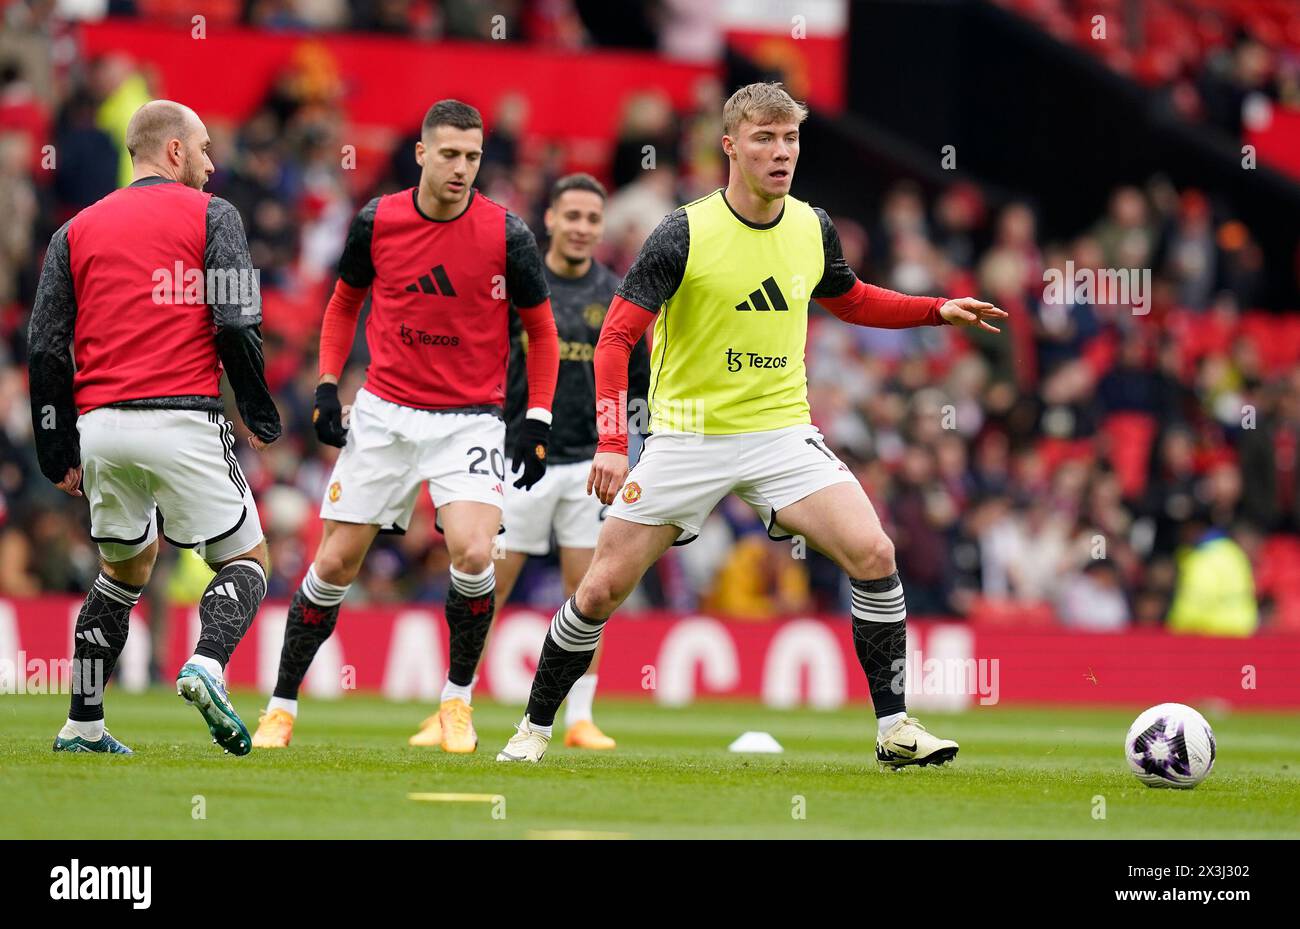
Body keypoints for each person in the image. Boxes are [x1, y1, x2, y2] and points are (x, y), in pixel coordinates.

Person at [497, 82, 1006, 766]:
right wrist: (615, 443)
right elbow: (617, 339)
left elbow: (849, 300)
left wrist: (933, 309)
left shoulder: (811, 226)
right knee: (598, 590)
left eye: (790, 138)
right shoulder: (683, 231)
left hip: (780, 435)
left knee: (875, 554)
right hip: (688, 437)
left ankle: (895, 730)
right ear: (730, 146)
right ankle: (532, 729)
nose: (781, 152)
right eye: (764, 138)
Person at [253, 100, 559, 753]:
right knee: (334, 561)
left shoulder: (509, 234)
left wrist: (535, 417)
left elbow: (541, 329)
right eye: (449, 154)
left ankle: (456, 701)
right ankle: (280, 706)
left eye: (473, 157)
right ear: (421, 153)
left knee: (476, 552)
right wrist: (329, 384)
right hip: (386, 411)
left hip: (470, 420)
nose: (462, 168)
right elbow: (342, 306)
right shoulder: (378, 220)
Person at [29, 100, 281, 755]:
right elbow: (234, 320)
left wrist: (58, 449)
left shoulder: (74, 230)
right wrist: (255, 405)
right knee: (249, 559)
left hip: (102, 427)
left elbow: (46, 346)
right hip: (182, 416)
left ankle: (82, 724)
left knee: (124, 569)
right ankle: (208, 663)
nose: (211, 163)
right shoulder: (215, 214)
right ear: (173, 151)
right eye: (202, 149)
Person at [485, 173, 649, 751]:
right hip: (519, 457)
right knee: (487, 584)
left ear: (601, 228)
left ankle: (580, 716)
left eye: (592, 219)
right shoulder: (523, 289)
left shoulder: (618, 298)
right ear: (550, 219)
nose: (581, 228)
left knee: (588, 590)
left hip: (590, 465)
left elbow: (638, 385)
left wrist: (632, 446)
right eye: (571, 216)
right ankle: (455, 703)